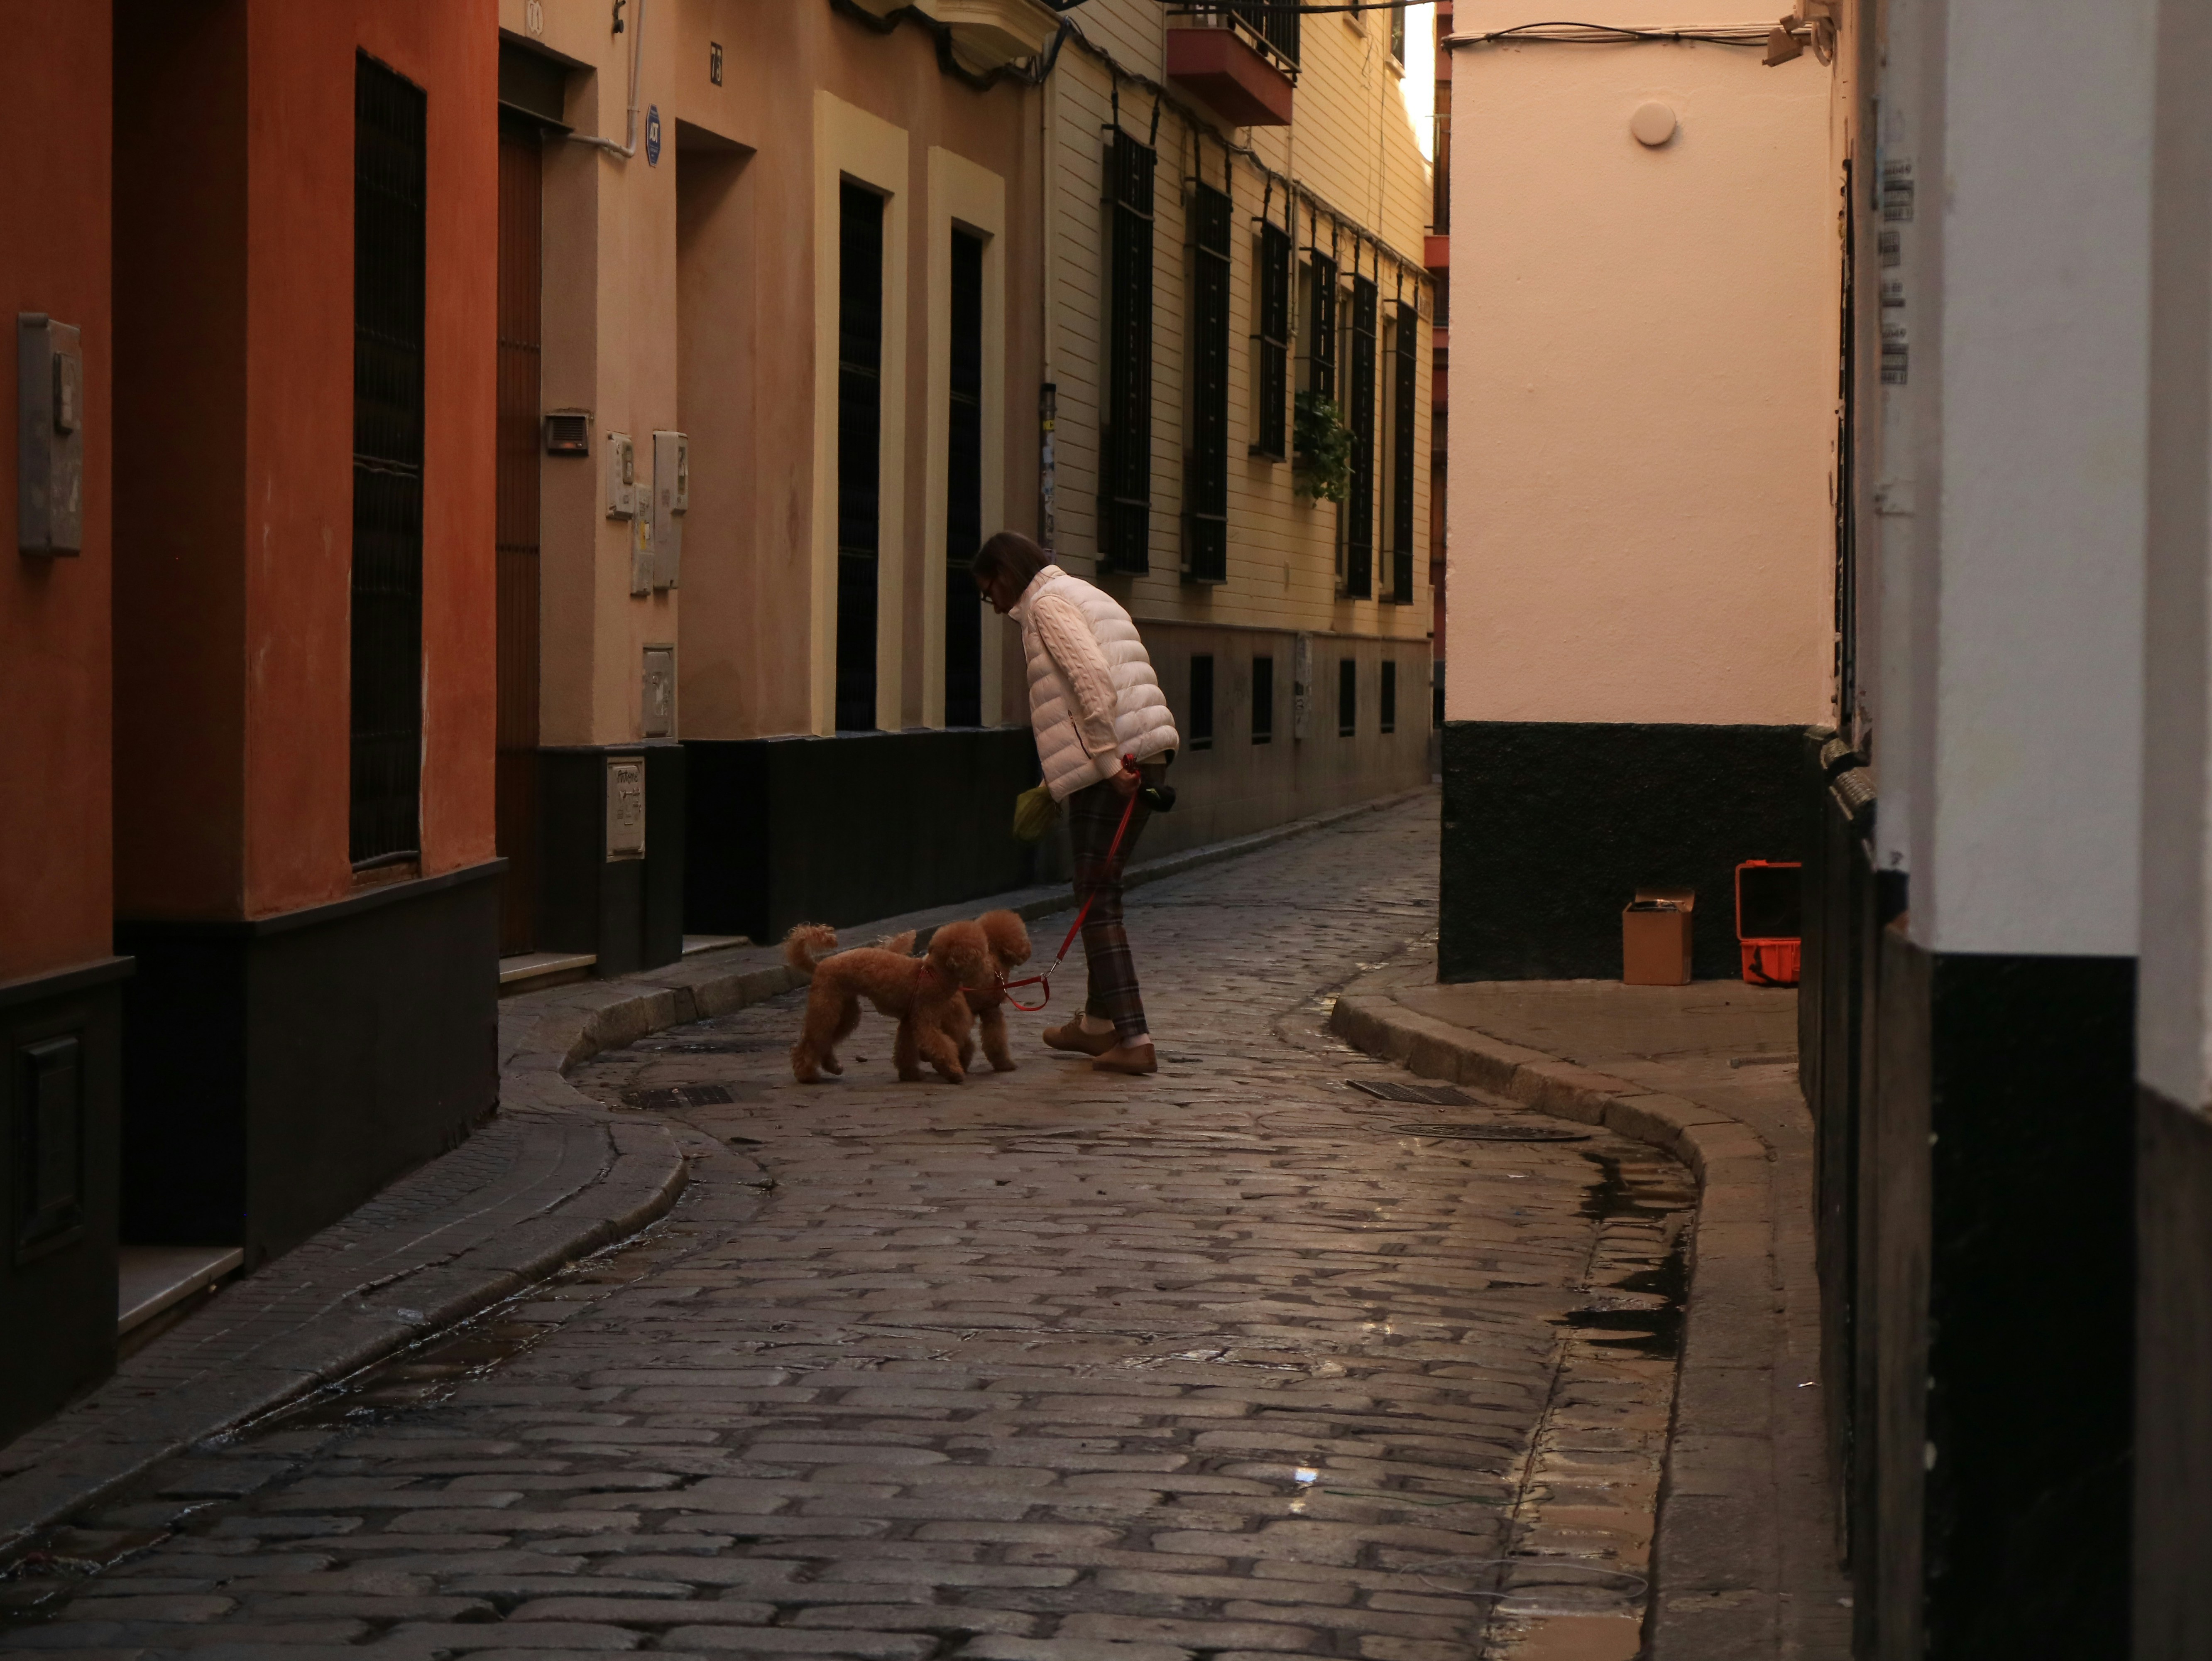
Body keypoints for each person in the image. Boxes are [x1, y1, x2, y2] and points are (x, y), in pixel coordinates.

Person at [974, 531, 1179, 1076]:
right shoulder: (1082, 593)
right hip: (1143, 752)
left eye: (987, 586)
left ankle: (1133, 1039)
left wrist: (1109, 765)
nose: (990, 601)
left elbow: (1090, 682)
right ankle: (1096, 1026)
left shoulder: (1046, 607)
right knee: (1100, 893)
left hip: (1114, 766)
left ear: (1005, 572)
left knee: (1097, 899)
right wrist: (1054, 784)